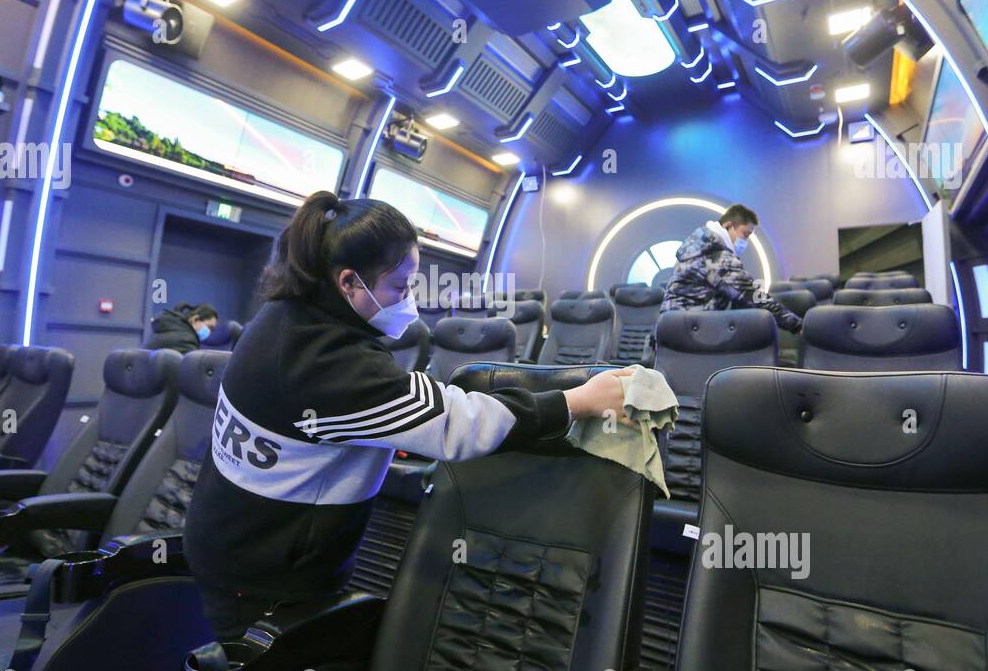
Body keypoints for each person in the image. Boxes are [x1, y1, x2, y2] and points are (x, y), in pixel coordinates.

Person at [183, 190, 629, 639]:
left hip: (224, 544)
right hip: (263, 582)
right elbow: (458, 424)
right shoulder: (329, 367)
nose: (408, 300)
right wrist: (577, 402)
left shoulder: (282, 315)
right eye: (399, 288)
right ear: (349, 283)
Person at [660, 204, 802, 332]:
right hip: (694, 333)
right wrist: (798, 325)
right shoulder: (719, 258)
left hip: (671, 330)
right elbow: (754, 298)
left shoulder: (696, 249)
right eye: (745, 234)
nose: (745, 241)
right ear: (728, 226)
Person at [146, 302, 219, 353]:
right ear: (195, 319)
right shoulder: (187, 340)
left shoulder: (166, 328)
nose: (209, 332)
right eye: (209, 327)